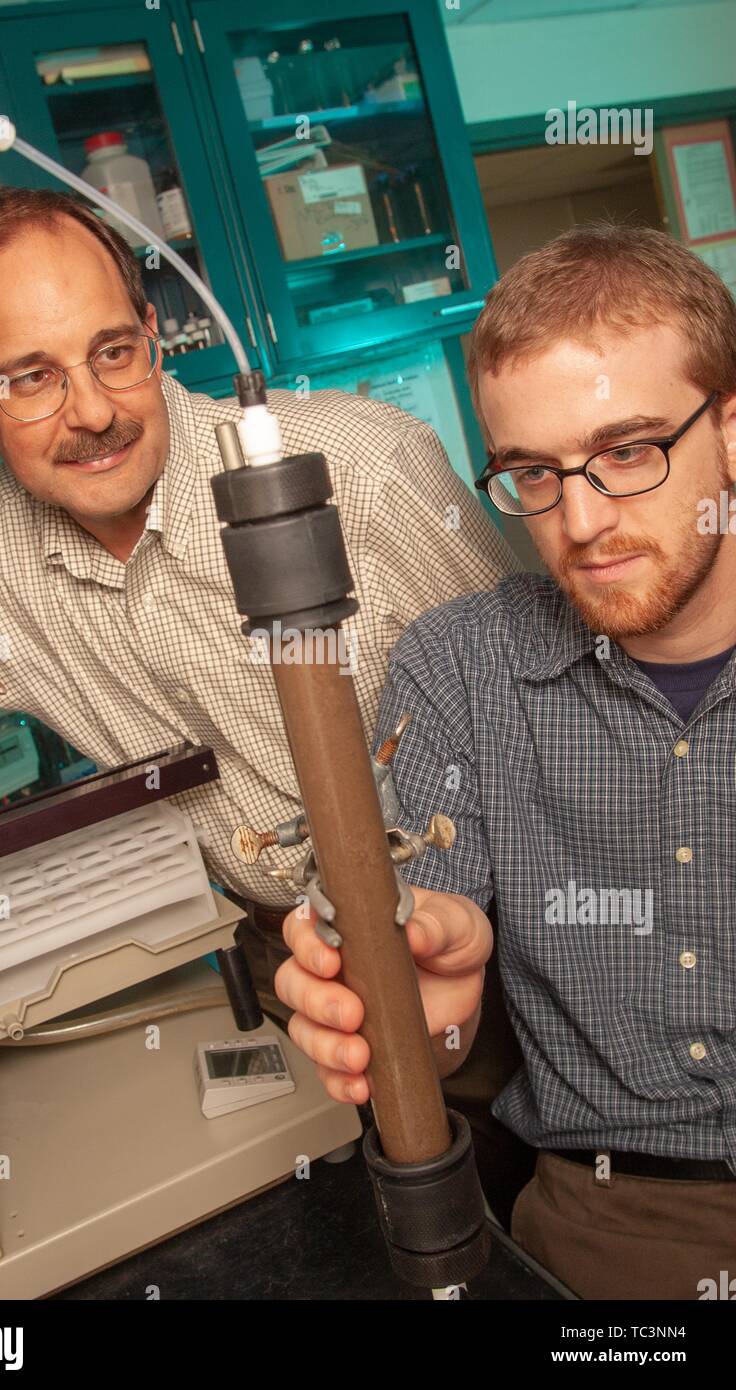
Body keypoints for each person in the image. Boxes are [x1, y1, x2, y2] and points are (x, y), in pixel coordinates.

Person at [0, 184, 516, 959]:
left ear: (151, 335)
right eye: (33, 379)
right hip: (286, 948)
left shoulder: (366, 469)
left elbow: (553, 707)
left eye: (112, 353)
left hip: (505, 911)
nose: (95, 413)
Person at [277, 222, 736, 1301]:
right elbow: (427, 998)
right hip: (619, 1216)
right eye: (534, 471)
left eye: (629, 450)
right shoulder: (459, 665)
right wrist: (407, 996)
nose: (580, 520)